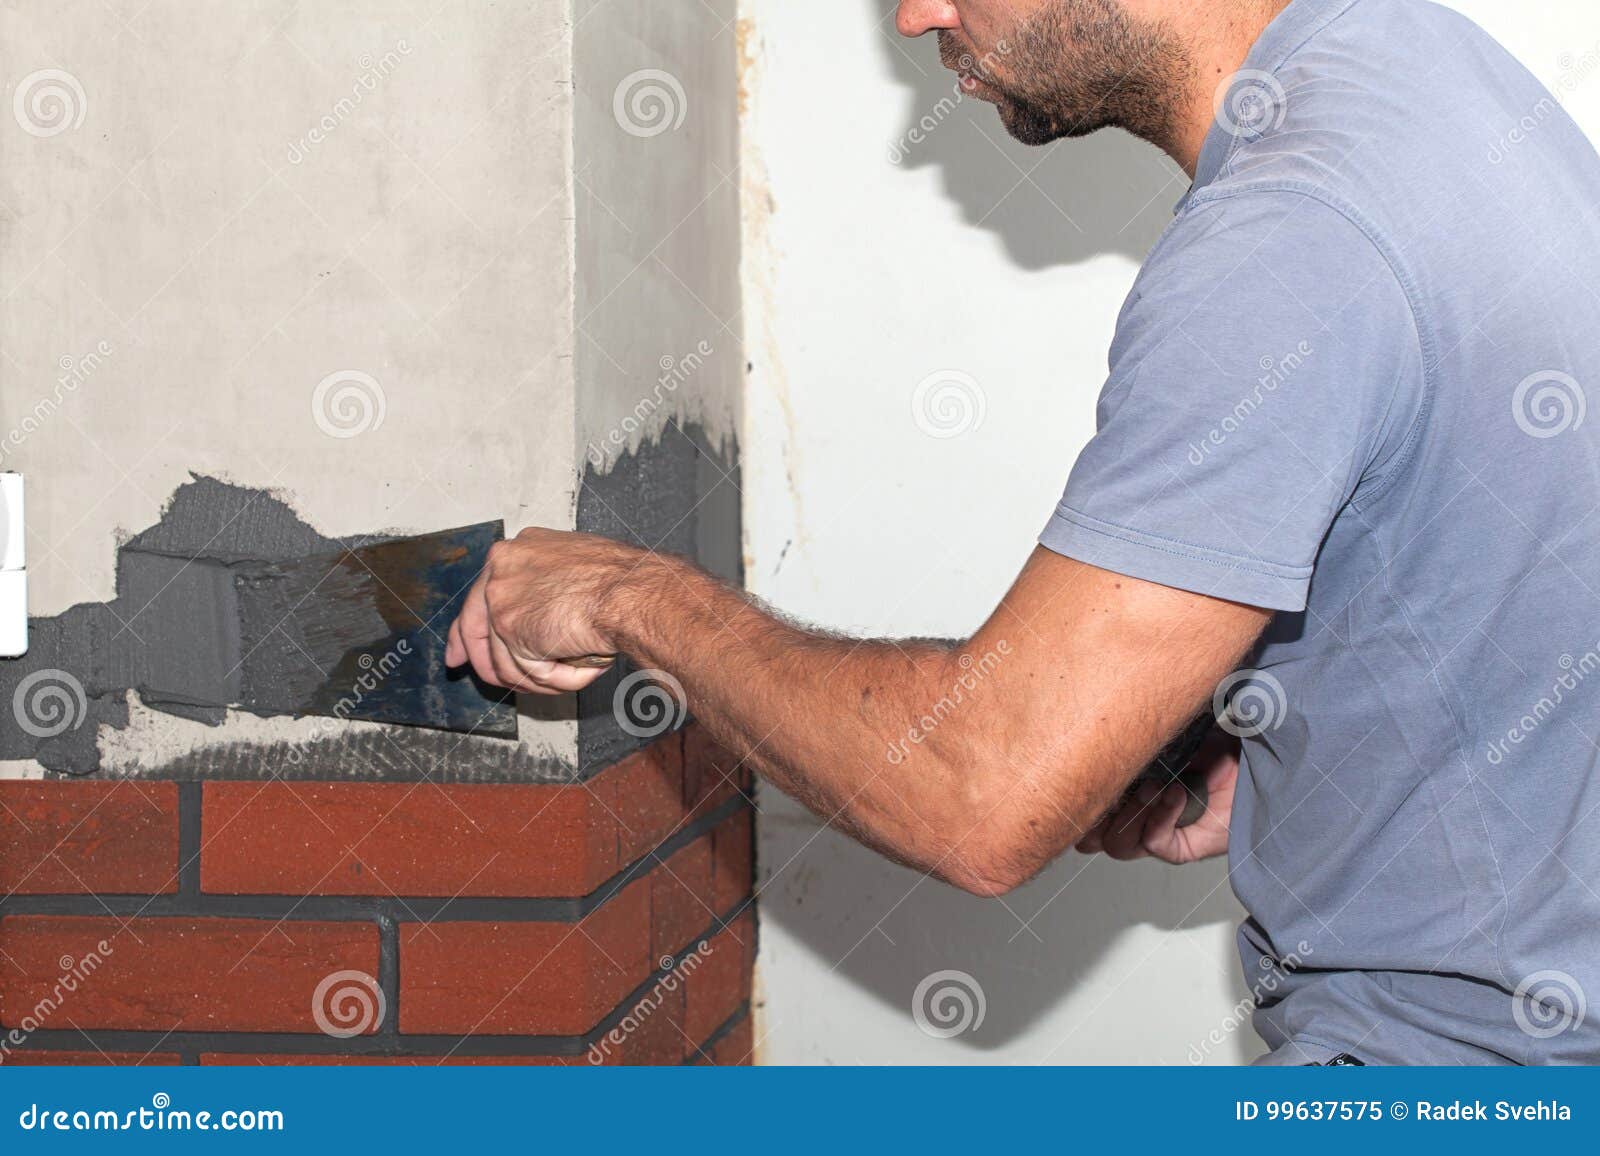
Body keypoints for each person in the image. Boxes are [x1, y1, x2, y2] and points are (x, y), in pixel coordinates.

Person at [448, 0, 1600, 1064]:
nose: (916, 17)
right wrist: (1347, 754)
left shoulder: (1287, 239)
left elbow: (979, 796)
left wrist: (630, 595)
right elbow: (1495, 547)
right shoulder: (1424, 72)